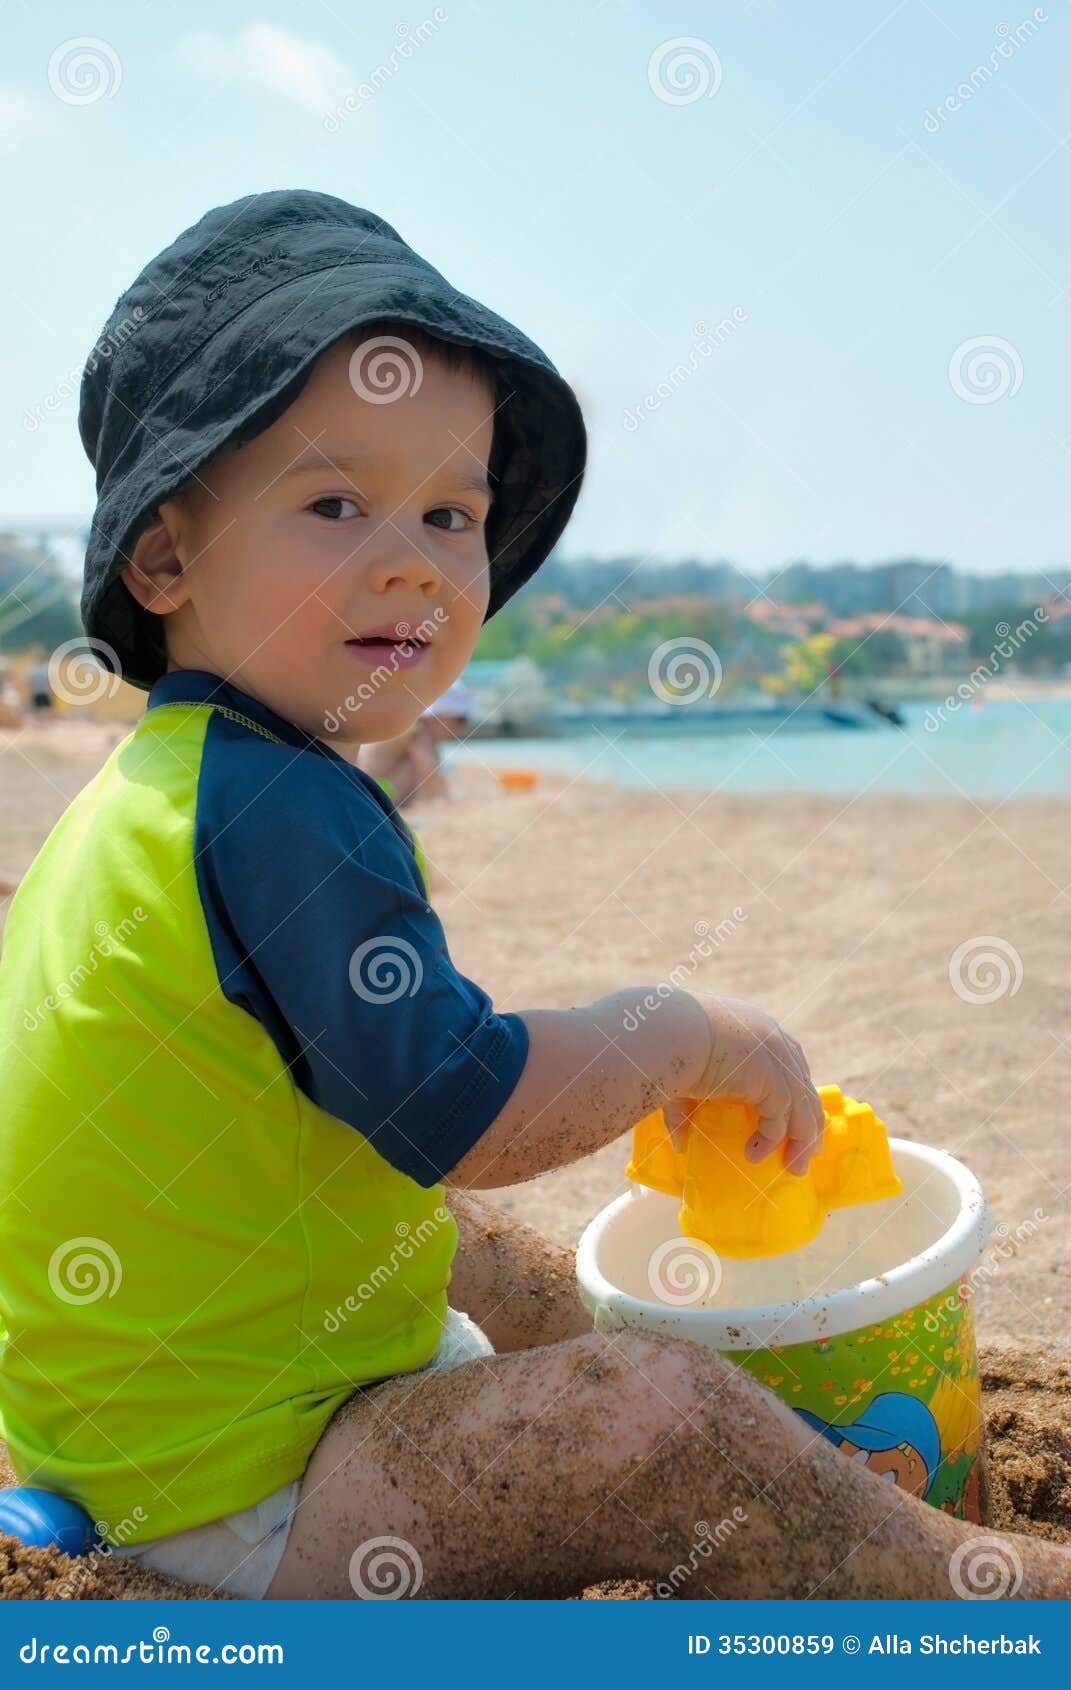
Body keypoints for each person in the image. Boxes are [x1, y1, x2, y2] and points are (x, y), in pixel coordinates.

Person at [0, 190, 1066, 1606]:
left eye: (451, 512)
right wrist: (679, 1034)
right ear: (165, 558)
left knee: (466, 1247)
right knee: (654, 1424)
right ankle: (967, 1583)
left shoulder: (164, 784)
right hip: (242, 1490)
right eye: (335, 502)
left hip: (115, 1420)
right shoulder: (283, 812)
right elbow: (468, 1107)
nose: (412, 560)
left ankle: (763, 1437)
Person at [359, 680, 473, 808]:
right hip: (371, 792)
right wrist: (449, 799)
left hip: (367, 788)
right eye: (458, 720)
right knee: (412, 766)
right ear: (439, 716)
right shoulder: (417, 730)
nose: (456, 729)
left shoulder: (411, 725)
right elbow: (429, 772)